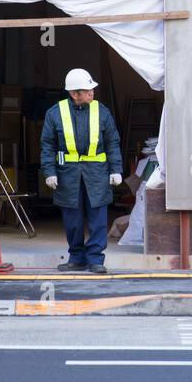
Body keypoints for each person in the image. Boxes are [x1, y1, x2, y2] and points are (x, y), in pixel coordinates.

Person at [40, 68, 123, 274]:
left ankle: (96, 260)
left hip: (97, 175)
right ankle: (76, 258)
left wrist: (116, 170)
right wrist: (49, 172)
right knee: (73, 221)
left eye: (92, 89)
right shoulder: (55, 113)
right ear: (74, 93)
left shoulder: (101, 111)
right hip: (68, 176)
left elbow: (112, 142)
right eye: (87, 90)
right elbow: (47, 145)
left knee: (98, 220)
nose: (92, 93)